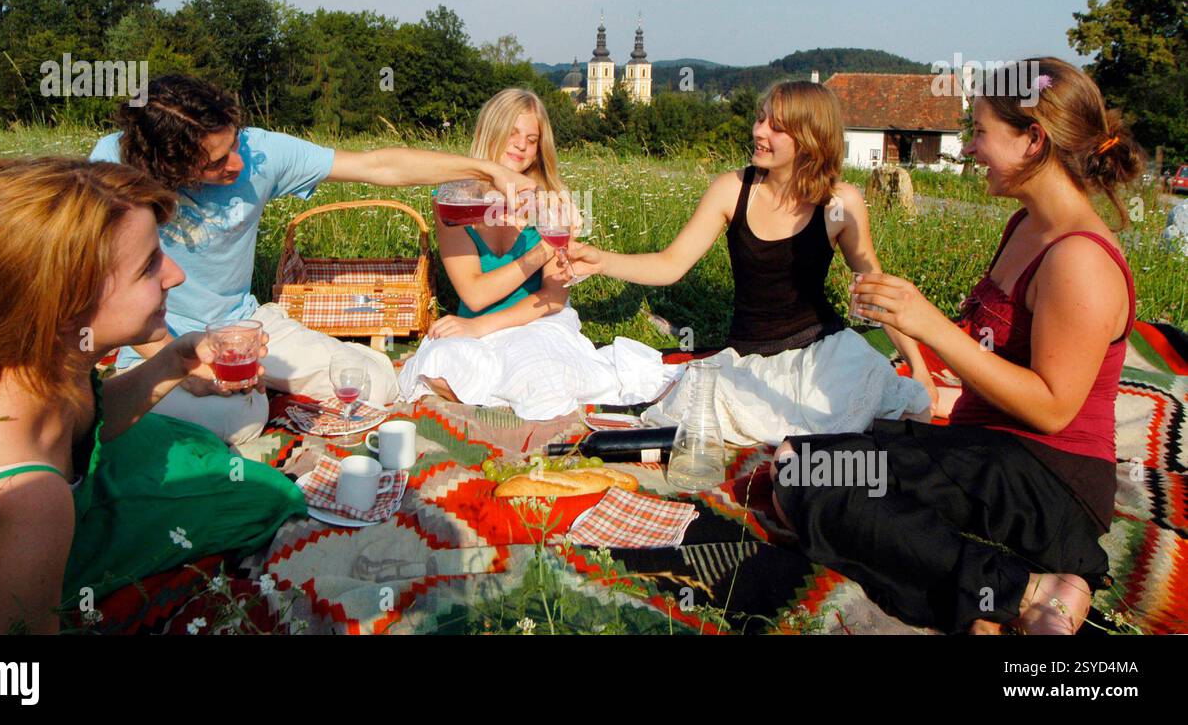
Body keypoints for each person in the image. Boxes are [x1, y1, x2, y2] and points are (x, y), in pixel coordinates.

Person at [771, 57, 1142, 634]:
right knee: (808, 465)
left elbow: (1053, 407)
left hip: (1049, 477)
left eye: (981, 132)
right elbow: (990, 351)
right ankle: (991, 598)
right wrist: (926, 371)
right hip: (987, 450)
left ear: (1033, 140)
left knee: (810, 474)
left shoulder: (1079, 259)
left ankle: (1024, 589)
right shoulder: (1024, 225)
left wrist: (931, 326)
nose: (970, 149)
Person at [0, 157, 307, 634]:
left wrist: (176, 361)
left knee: (213, 457)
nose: (175, 275)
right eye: (149, 265)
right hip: (40, 551)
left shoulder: (14, 351)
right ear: (66, 305)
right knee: (267, 497)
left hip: (60, 508)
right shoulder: (23, 496)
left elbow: (83, 424)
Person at [89, 75, 537, 445]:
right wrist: (180, 367)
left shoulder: (259, 152)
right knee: (238, 419)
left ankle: (257, 389)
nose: (236, 165)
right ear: (169, 166)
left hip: (246, 328)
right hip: (158, 341)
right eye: (215, 162)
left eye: (234, 145)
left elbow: (379, 166)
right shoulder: (113, 165)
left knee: (373, 383)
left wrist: (487, 170)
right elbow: (106, 288)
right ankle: (237, 399)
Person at [565, 80, 934, 444]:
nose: (759, 131)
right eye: (760, 119)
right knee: (692, 423)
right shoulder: (732, 189)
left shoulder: (840, 202)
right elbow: (670, 264)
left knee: (903, 408)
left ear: (809, 138)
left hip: (822, 355)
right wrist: (600, 261)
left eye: (776, 127)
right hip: (748, 360)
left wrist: (917, 365)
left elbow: (874, 285)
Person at [397, 88, 681, 421]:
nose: (521, 145)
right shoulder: (455, 200)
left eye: (531, 139)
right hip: (471, 325)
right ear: (491, 132)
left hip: (536, 321)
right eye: (512, 132)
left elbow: (553, 297)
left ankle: (503, 392)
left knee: (539, 371)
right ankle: (504, 391)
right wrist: (542, 251)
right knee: (436, 366)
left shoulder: (552, 201)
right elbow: (474, 294)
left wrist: (485, 324)